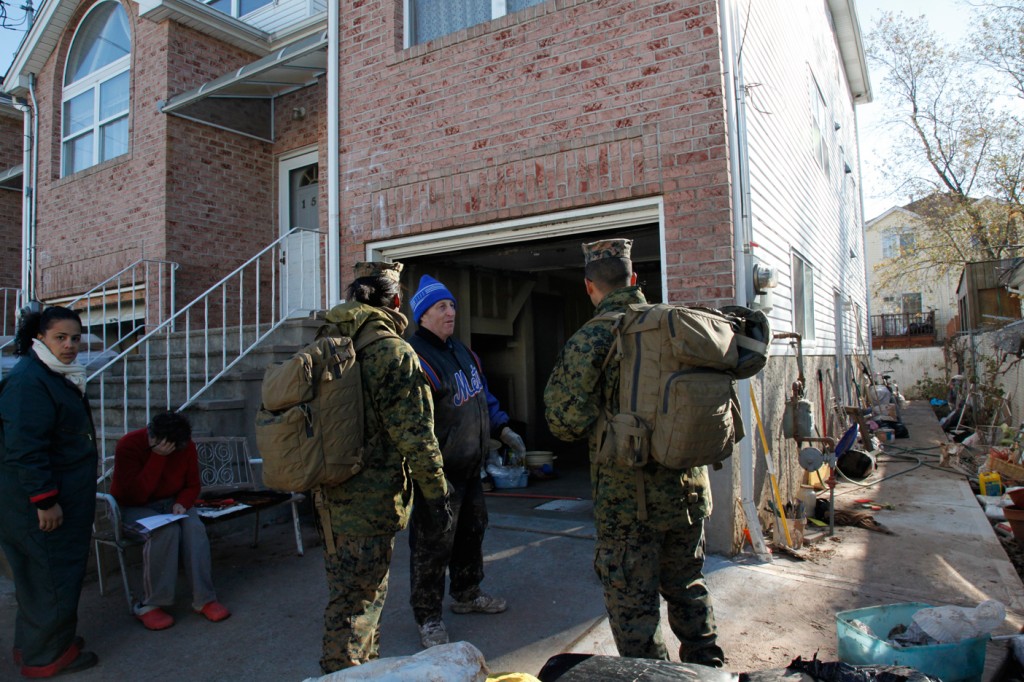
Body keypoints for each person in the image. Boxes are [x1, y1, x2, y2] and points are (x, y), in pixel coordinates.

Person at [543, 239, 725, 666]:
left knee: (633, 607)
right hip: (689, 491)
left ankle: (652, 677)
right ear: (635, 280)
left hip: (628, 503)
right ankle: (709, 668)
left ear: (589, 286)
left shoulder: (591, 337)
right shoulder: (679, 325)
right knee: (689, 586)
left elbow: (563, 422)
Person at [316, 261, 451, 672]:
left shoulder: (326, 341)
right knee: (362, 603)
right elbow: (418, 437)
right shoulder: (391, 351)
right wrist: (439, 495)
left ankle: (355, 668)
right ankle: (349, 672)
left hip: (327, 493)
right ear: (394, 301)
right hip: (371, 503)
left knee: (345, 595)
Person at [406, 274, 525, 649]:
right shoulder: (416, 357)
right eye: (441, 306)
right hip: (437, 476)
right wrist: (428, 475)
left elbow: (482, 396)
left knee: (472, 532)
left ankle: (467, 593)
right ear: (423, 314)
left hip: (471, 467)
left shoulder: (463, 351)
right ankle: (428, 618)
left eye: (452, 305)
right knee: (431, 546)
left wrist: (502, 427)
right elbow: (413, 424)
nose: (450, 312)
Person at [0, 305, 99, 677]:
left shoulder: (49, 374)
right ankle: (48, 657)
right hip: (41, 504)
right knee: (52, 576)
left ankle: (37, 644)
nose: (71, 345)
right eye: (61, 337)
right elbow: (25, 447)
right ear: (39, 338)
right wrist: (45, 501)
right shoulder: (31, 380)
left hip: (53, 496)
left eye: (75, 338)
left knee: (38, 578)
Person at [109, 411, 230, 630]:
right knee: (166, 531)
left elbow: (193, 484)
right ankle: (151, 603)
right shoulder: (130, 445)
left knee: (194, 529)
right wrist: (158, 458)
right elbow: (133, 495)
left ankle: (204, 598)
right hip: (133, 507)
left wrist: (183, 502)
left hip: (172, 503)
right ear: (154, 439)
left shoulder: (185, 446)